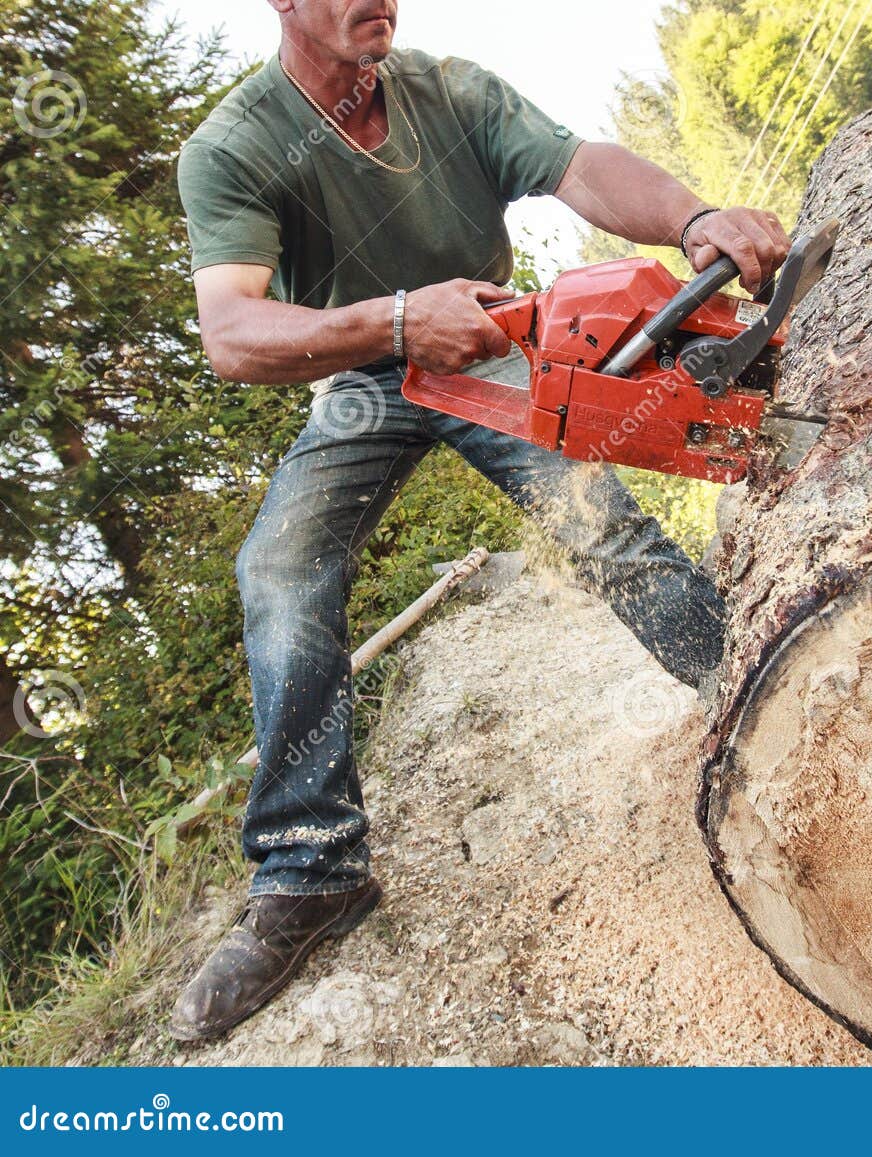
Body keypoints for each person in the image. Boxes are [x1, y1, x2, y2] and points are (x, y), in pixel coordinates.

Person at [167, 0, 791, 1041]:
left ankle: (765, 711)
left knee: (604, 525)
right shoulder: (234, 146)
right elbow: (231, 332)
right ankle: (310, 866)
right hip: (364, 377)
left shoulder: (450, 89)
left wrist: (693, 220)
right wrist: (398, 320)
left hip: (492, 344)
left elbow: (577, 164)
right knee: (279, 570)